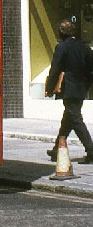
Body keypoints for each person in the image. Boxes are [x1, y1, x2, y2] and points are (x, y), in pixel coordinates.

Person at [45, 19, 93, 163]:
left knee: (76, 119)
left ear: (60, 33)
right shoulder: (84, 48)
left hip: (69, 89)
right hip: (81, 89)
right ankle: (56, 150)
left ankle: (91, 150)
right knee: (68, 119)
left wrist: (49, 88)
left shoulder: (62, 47)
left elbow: (55, 69)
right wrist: (86, 85)